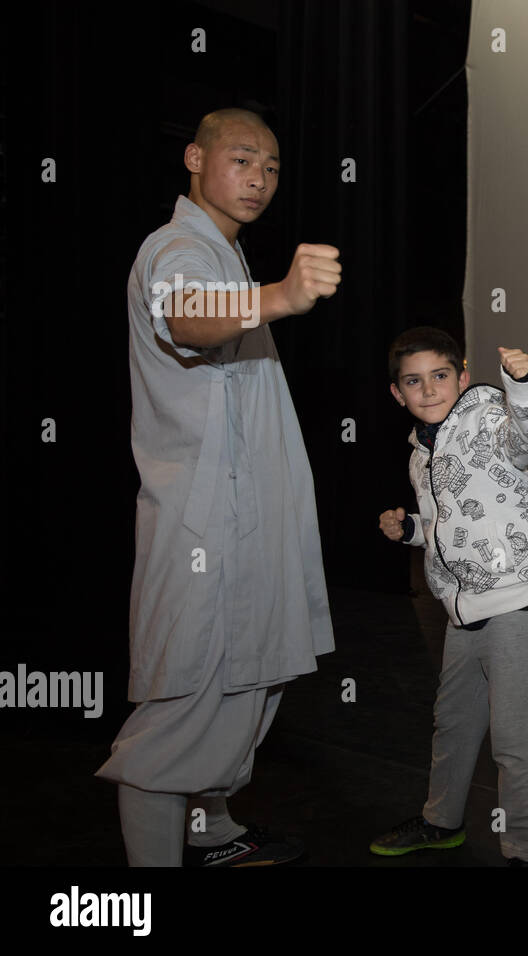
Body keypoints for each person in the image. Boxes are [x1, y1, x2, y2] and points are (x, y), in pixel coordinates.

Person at [97, 108, 340, 867]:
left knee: (248, 684)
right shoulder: (176, 249)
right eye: (242, 161)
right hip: (205, 528)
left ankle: (211, 835)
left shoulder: (223, 256)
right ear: (196, 160)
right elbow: (187, 316)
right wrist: (280, 297)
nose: (260, 180)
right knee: (180, 712)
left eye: (271, 167)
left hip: (247, 522)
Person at [370, 328, 528, 865]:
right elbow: (444, 528)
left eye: (440, 376)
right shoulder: (419, 452)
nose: (429, 390)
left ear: (464, 376)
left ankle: (527, 850)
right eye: (414, 381)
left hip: (514, 600)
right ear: (397, 394)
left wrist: (522, 384)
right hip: (460, 608)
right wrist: (408, 532)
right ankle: (441, 821)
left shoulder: (488, 416)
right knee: (452, 724)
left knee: (516, 742)